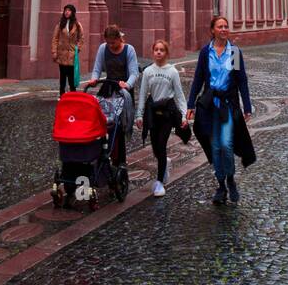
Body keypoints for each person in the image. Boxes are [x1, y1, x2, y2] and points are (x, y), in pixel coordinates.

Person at [186, 15, 254, 206]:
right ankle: (221, 185)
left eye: (226, 26)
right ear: (212, 30)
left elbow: (241, 80)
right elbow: (198, 78)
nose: (224, 29)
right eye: (220, 26)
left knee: (226, 144)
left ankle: (230, 179)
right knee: (215, 147)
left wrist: (247, 106)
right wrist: (190, 104)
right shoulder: (205, 52)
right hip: (209, 106)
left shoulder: (234, 52)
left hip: (228, 105)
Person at [135, 39, 190, 197]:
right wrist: (139, 115)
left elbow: (179, 96)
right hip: (153, 113)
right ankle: (165, 162)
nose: (158, 52)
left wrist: (184, 116)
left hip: (167, 113)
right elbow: (143, 93)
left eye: (162, 50)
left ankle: (159, 183)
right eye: (156, 50)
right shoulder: (148, 72)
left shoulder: (172, 72)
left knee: (161, 144)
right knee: (155, 148)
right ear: (153, 52)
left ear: (166, 53)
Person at [84, 24, 139, 164]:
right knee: (104, 122)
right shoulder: (103, 48)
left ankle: (120, 161)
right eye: (108, 42)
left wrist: (127, 84)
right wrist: (94, 79)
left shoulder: (129, 50)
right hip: (108, 89)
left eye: (113, 43)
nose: (110, 45)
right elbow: (97, 68)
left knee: (119, 128)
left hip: (123, 91)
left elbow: (134, 73)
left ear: (119, 39)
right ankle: (102, 155)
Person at [51, 4, 83, 96]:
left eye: (69, 10)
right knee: (62, 76)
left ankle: (73, 95)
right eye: (65, 10)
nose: (67, 12)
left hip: (72, 55)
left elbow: (81, 38)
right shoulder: (60, 23)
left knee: (71, 77)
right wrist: (54, 51)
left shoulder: (77, 24)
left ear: (72, 12)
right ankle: (62, 94)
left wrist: (78, 49)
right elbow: (55, 38)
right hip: (62, 54)